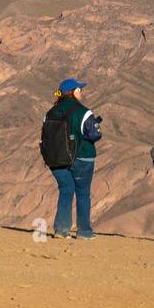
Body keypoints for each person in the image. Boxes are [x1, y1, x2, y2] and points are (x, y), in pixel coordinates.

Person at [45, 78, 102, 240]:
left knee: (65, 190)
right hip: (82, 157)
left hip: (56, 159)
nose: (81, 92)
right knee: (83, 193)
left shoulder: (51, 112)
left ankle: (61, 230)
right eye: (80, 89)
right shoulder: (84, 112)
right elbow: (94, 134)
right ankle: (84, 232)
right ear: (74, 91)